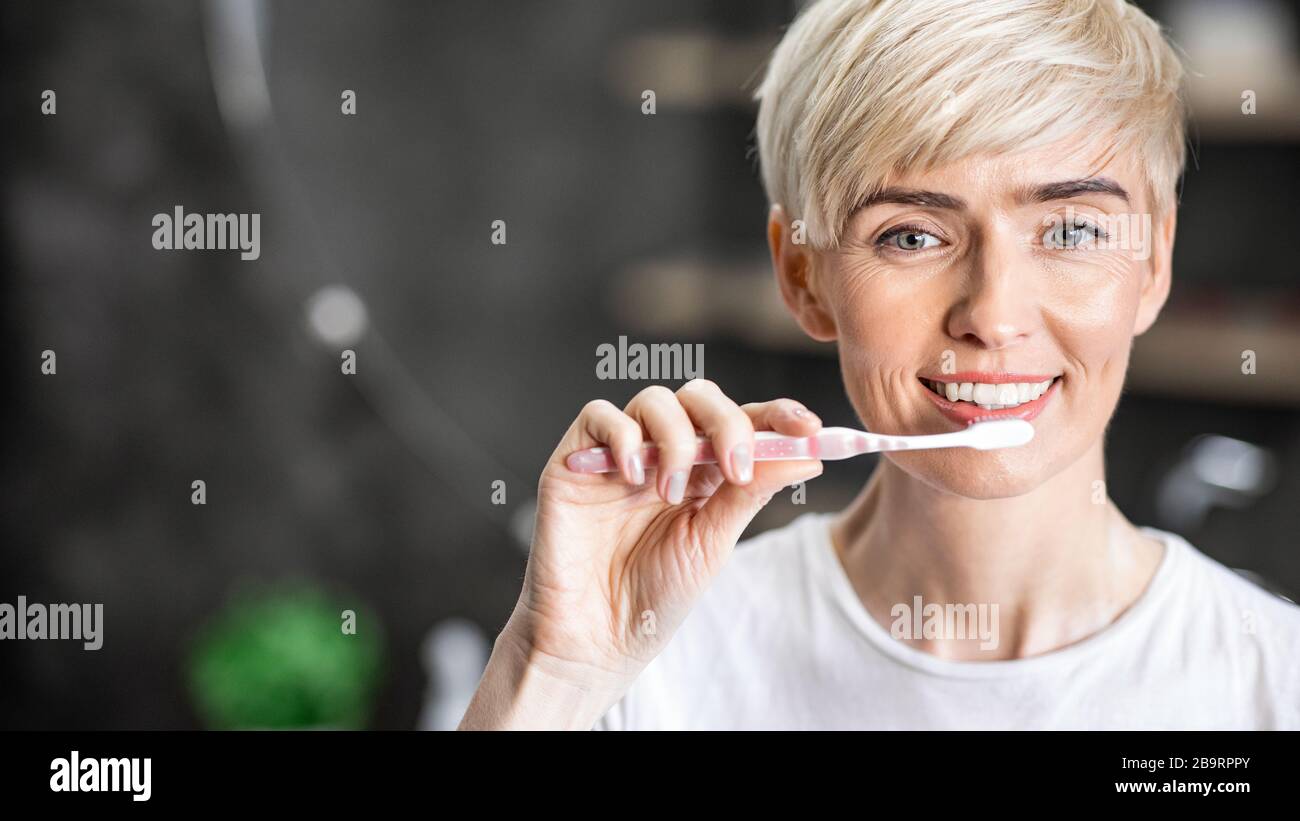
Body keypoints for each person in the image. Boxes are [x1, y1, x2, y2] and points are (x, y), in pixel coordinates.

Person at [460, 0, 1300, 730]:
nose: (993, 316)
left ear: (1153, 265)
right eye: (912, 235)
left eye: (1072, 230)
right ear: (803, 276)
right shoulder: (650, 661)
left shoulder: (1272, 684)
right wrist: (557, 673)